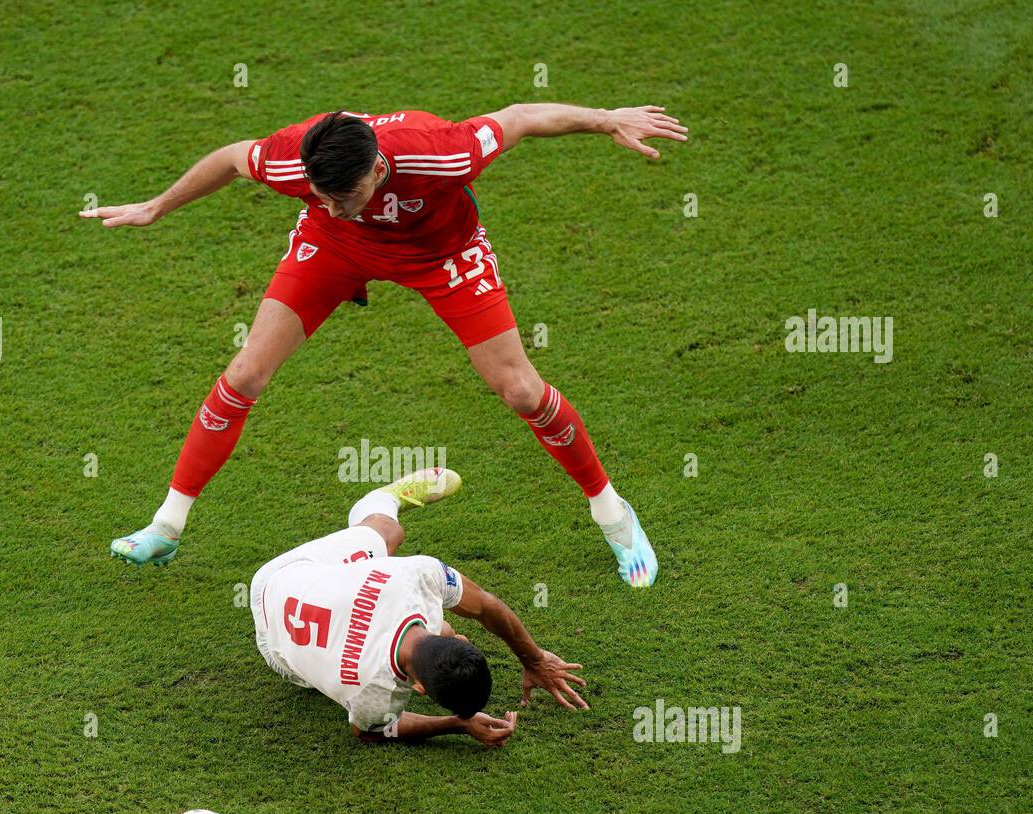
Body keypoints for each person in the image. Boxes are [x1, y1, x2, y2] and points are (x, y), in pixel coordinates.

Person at [82, 104, 687, 588]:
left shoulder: (441, 150)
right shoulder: (302, 164)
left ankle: (613, 514)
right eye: (319, 195)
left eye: (342, 198)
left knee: (521, 390)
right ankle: (167, 524)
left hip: (442, 254)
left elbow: (522, 117)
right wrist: (158, 207)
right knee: (245, 375)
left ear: (376, 171)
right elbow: (232, 159)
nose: (329, 205)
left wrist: (609, 119)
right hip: (336, 251)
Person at [251, 468, 588, 746]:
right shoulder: (373, 691)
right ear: (419, 688)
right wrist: (457, 723)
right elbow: (370, 730)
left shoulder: (416, 577)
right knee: (389, 531)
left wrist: (534, 659)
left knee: (387, 534)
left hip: (285, 582)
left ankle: (378, 515)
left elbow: (485, 604)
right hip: (281, 631)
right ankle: (387, 497)